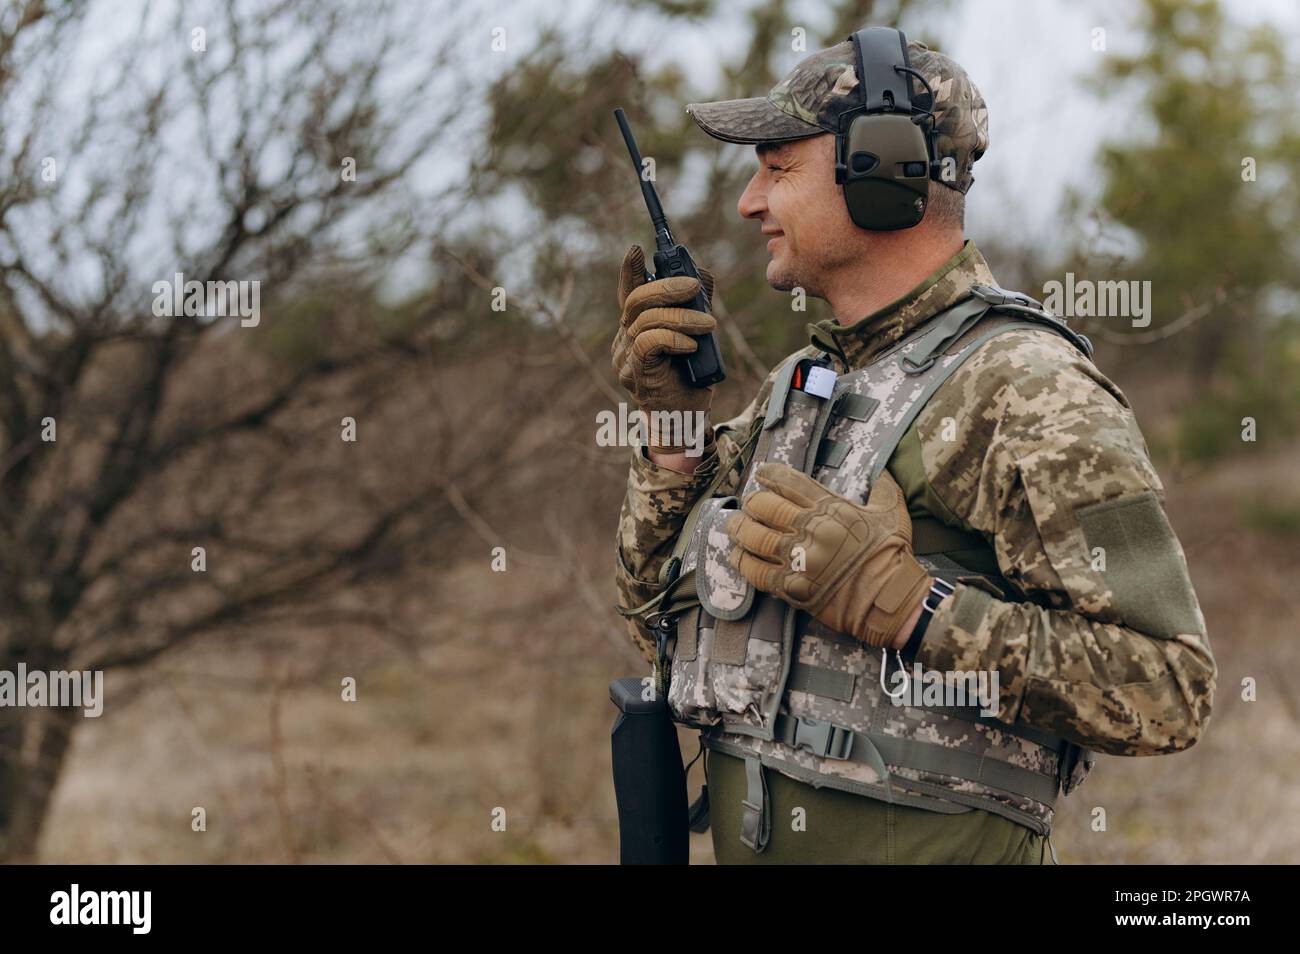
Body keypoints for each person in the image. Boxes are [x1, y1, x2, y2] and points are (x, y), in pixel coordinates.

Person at [611, 31, 1216, 864]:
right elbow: (659, 630)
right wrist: (672, 437)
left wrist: (910, 607)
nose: (751, 202)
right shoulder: (802, 384)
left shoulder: (1027, 388)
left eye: (778, 167)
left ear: (882, 172)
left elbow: (1168, 690)